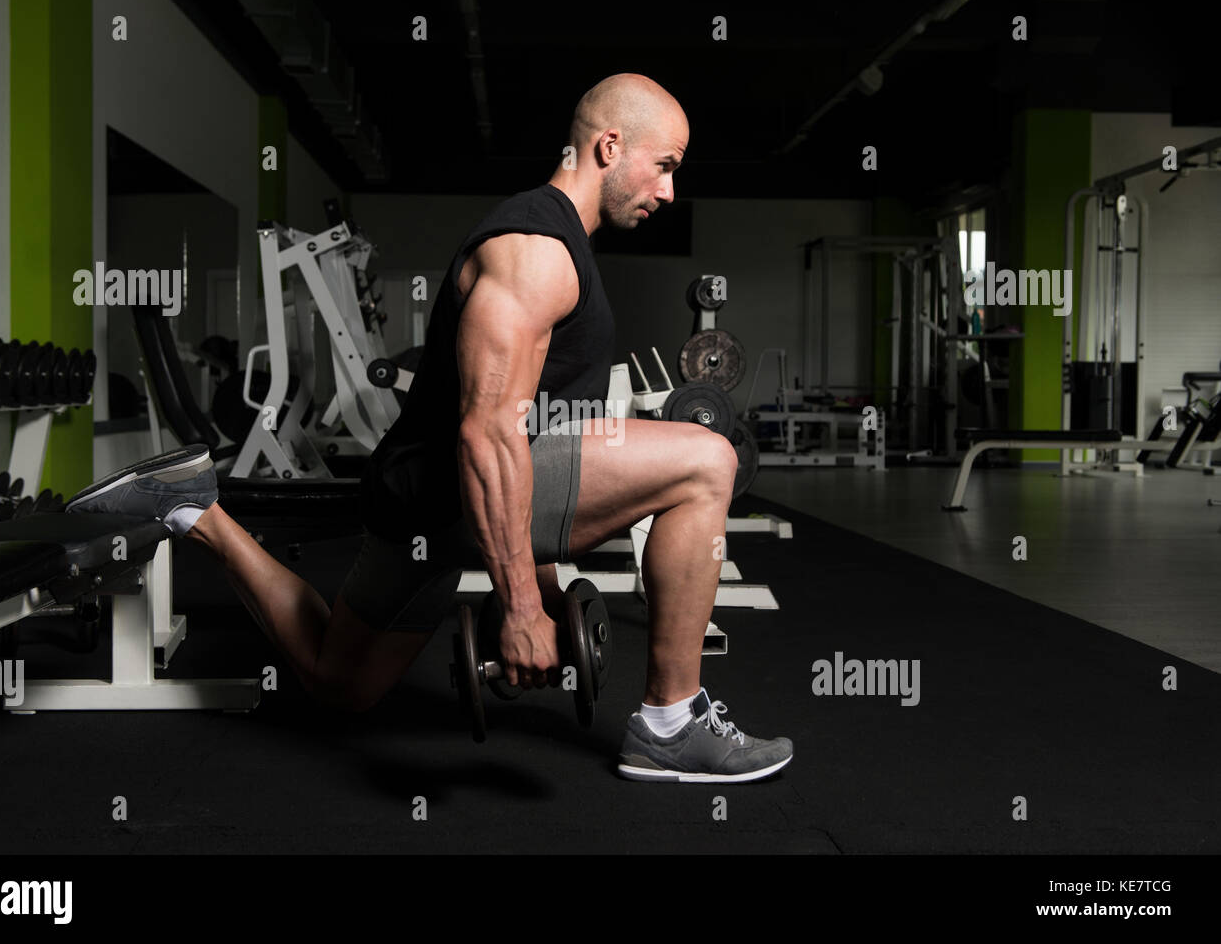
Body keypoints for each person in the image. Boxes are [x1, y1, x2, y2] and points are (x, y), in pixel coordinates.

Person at [70, 74, 792, 783]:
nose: (669, 190)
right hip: (452, 484)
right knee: (707, 459)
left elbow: (536, 429)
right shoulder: (537, 252)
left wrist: (540, 590)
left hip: (417, 497)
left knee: (337, 683)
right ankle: (671, 722)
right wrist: (516, 608)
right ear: (609, 145)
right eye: (664, 166)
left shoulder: (551, 240)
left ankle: (196, 509)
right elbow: (488, 435)